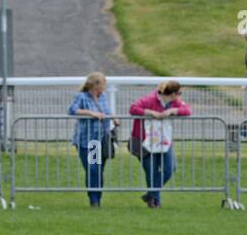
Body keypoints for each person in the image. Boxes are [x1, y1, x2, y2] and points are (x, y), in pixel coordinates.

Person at [129, 80, 191, 207]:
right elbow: (133, 108)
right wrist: (151, 112)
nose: (180, 96)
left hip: (164, 140)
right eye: (180, 93)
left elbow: (187, 110)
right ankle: (155, 202)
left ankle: (150, 194)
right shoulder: (149, 99)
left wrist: (172, 110)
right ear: (173, 94)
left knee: (170, 168)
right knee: (151, 171)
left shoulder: (174, 102)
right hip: (144, 140)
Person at [69, 72, 119, 207]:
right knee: (93, 169)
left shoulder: (102, 97)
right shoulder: (82, 97)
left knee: (99, 170)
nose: (105, 87)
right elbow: (72, 110)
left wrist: (114, 117)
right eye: (103, 84)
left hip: (101, 139)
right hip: (88, 141)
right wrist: (90, 113)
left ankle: (97, 197)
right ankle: (94, 199)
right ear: (96, 85)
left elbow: (107, 110)